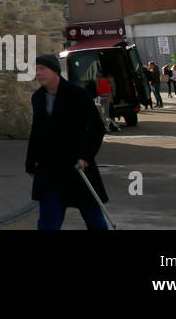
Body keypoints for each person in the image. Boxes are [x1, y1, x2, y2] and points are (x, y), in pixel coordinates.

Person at [25, 53, 109, 230]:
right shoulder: (38, 98)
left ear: (55, 71)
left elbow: (96, 127)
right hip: (50, 169)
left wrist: (85, 156)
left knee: (93, 218)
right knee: (48, 221)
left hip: (76, 166)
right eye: (36, 69)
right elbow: (37, 131)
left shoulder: (78, 95)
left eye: (42, 69)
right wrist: (31, 162)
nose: (38, 73)